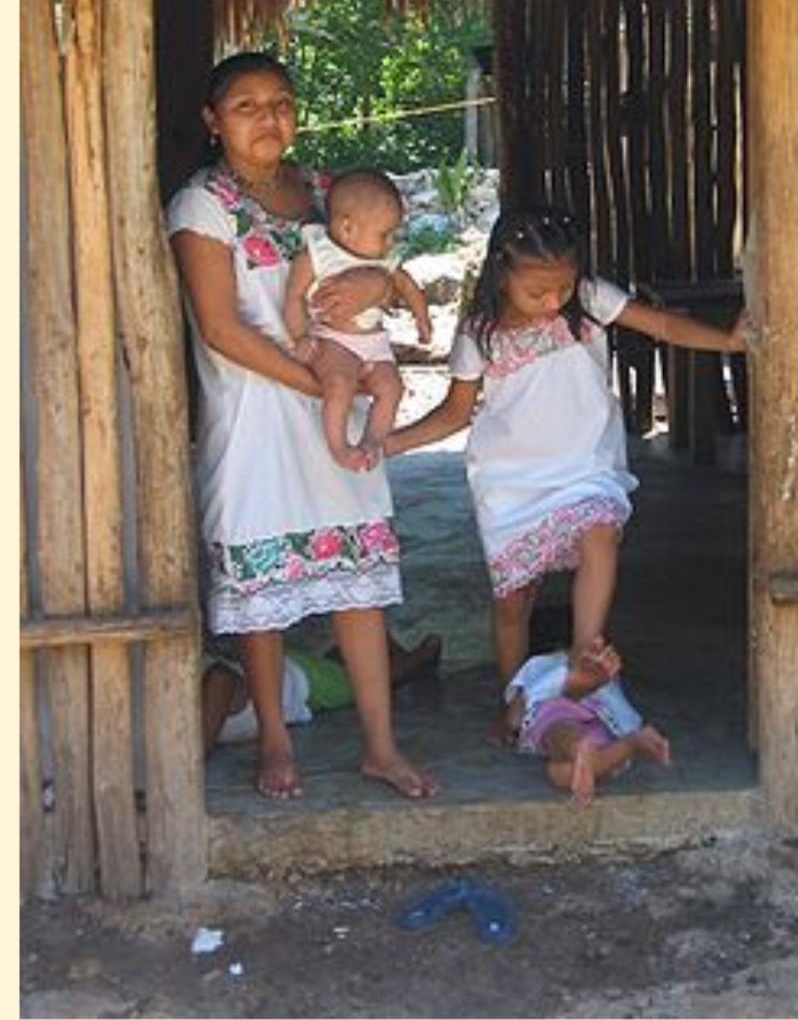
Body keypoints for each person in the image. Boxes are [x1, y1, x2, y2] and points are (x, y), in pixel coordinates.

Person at [166, 49, 436, 800]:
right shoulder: (202, 206)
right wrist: (317, 381)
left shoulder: (325, 191)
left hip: (335, 413)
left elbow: (380, 259)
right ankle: (275, 744)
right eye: (246, 105)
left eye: (280, 101)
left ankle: (381, 744)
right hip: (255, 420)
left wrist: (378, 286)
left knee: (359, 584)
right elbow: (221, 327)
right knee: (263, 586)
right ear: (212, 120)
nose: (268, 117)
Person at [386, 206, 747, 730]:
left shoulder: (590, 300)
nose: (552, 301)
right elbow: (454, 414)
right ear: (500, 273)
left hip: (585, 467)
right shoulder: (479, 334)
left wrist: (729, 342)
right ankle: (515, 703)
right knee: (514, 602)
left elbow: (663, 324)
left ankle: (585, 656)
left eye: (562, 287)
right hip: (509, 484)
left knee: (599, 533)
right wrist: (391, 443)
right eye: (537, 292)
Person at [284, 168, 432, 472]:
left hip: (374, 342)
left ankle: (374, 441)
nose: (390, 242)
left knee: (392, 388)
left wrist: (422, 318)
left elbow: (406, 285)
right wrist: (300, 336)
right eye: (384, 234)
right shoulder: (318, 256)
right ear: (347, 228)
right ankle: (339, 446)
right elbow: (294, 297)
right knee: (339, 384)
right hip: (333, 339)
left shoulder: (382, 259)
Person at [202, 631, 443, 757]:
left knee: (366, 684)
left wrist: (202, 748)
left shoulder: (211, 682)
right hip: (282, 666)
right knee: (339, 668)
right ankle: (373, 643)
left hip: (303, 682)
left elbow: (220, 679)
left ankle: (422, 657)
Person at [503, 638, 671, 808]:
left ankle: (591, 744)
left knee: (556, 729)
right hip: (601, 713)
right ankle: (629, 742)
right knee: (559, 771)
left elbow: (516, 712)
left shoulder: (536, 665)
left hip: (554, 704)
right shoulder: (600, 668)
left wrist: (508, 724)